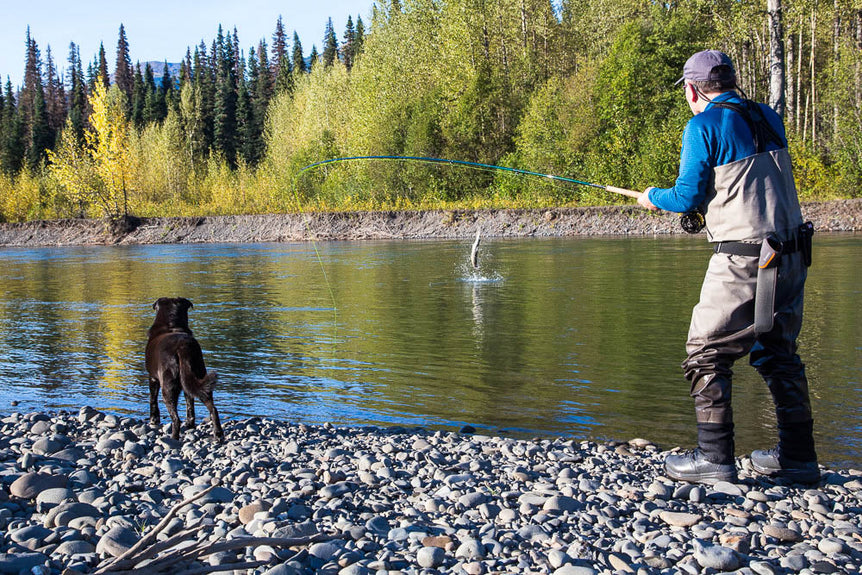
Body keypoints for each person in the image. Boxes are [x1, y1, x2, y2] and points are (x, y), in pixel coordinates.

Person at [637, 50, 819, 485]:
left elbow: (685, 198)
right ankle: (799, 459)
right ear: (731, 83)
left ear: (692, 88)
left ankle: (714, 457)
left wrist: (651, 197)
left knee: (705, 350)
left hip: (745, 257)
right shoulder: (769, 117)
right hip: (793, 253)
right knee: (779, 353)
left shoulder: (702, 125)